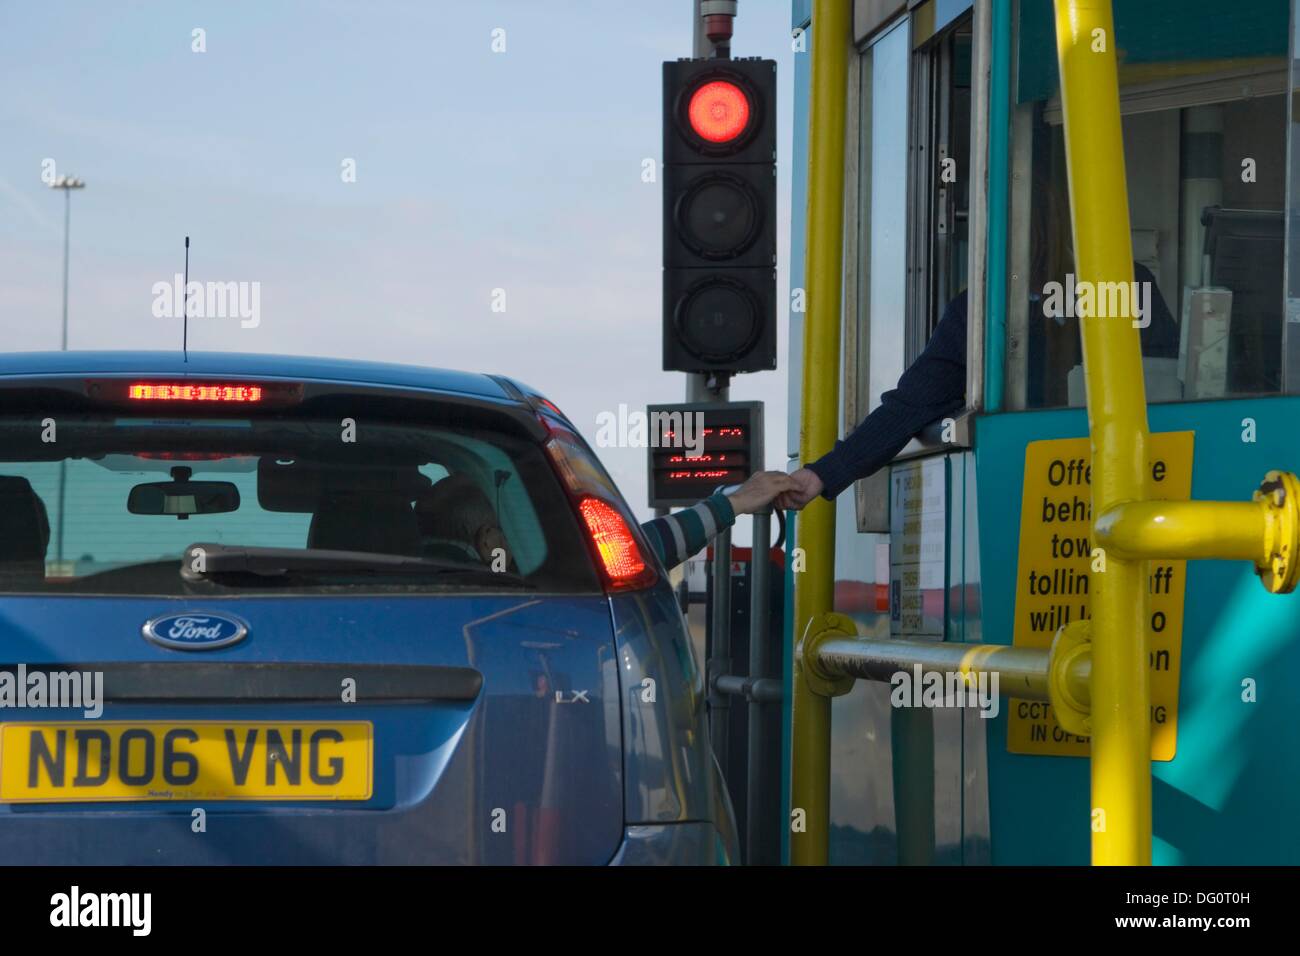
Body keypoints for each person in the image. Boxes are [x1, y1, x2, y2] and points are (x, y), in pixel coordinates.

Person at [778, 260, 1179, 510]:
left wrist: (820, 475)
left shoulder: (1125, 283)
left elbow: (1170, 377)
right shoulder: (981, 311)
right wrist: (823, 474)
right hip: (1096, 492)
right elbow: (912, 404)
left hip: (1126, 484)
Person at [418, 469, 795, 573]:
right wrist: (736, 502)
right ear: (488, 542)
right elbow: (636, 552)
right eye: (515, 528)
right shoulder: (520, 594)